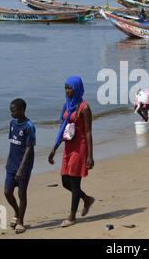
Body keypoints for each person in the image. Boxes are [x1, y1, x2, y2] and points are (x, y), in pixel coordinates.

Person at [48, 76, 95, 228]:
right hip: (68, 147)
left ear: (77, 89)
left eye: (70, 88)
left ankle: (72, 217)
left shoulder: (84, 108)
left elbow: (88, 132)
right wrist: (54, 149)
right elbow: (64, 129)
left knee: (74, 183)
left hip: (80, 148)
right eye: (66, 88)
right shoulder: (67, 105)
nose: (68, 91)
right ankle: (87, 199)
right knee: (65, 182)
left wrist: (90, 156)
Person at [4, 98, 36, 234]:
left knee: (21, 193)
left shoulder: (29, 126)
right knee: (7, 192)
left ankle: (21, 222)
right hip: (12, 164)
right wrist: (8, 162)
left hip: (24, 166)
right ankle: (17, 212)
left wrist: (21, 169)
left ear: (22, 110)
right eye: (10, 111)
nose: (12, 114)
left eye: (14, 111)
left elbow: (29, 148)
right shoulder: (12, 123)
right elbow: (12, 144)